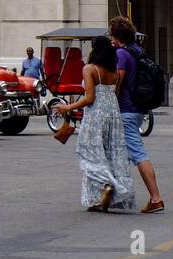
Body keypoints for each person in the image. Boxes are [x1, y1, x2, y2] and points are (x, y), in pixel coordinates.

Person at [55, 36, 134, 213]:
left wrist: (68, 106)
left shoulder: (89, 69)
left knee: (89, 152)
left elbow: (90, 98)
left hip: (95, 115)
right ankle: (100, 198)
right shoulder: (114, 71)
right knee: (109, 153)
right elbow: (115, 93)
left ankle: (107, 184)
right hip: (113, 114)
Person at [110, 17, 165, 213]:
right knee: (120, 154)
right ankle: (113, 194)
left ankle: (156, 198)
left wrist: (111, 102)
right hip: (137, 109)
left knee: (138, 154)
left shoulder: (122, 54)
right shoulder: (136, 51)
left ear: (117, 36)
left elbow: (119, 81)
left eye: (112, 35)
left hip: (126, 109)